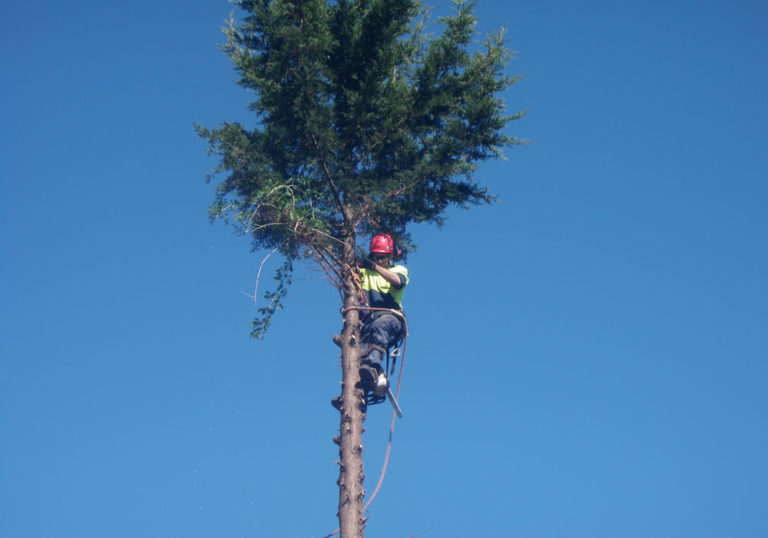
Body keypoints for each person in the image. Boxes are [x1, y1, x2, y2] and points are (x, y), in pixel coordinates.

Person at [356, 233, 409, 395]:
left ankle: (373, 366)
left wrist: (374, 266)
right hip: (369, 323)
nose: (380, 261)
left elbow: (398, 282)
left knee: (381, 324)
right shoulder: (364, 272)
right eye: (376, 257)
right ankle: (356, 391)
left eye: (383, 258)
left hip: (393, 319)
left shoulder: (398, 270)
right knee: (356, 350)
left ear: (391, 256)